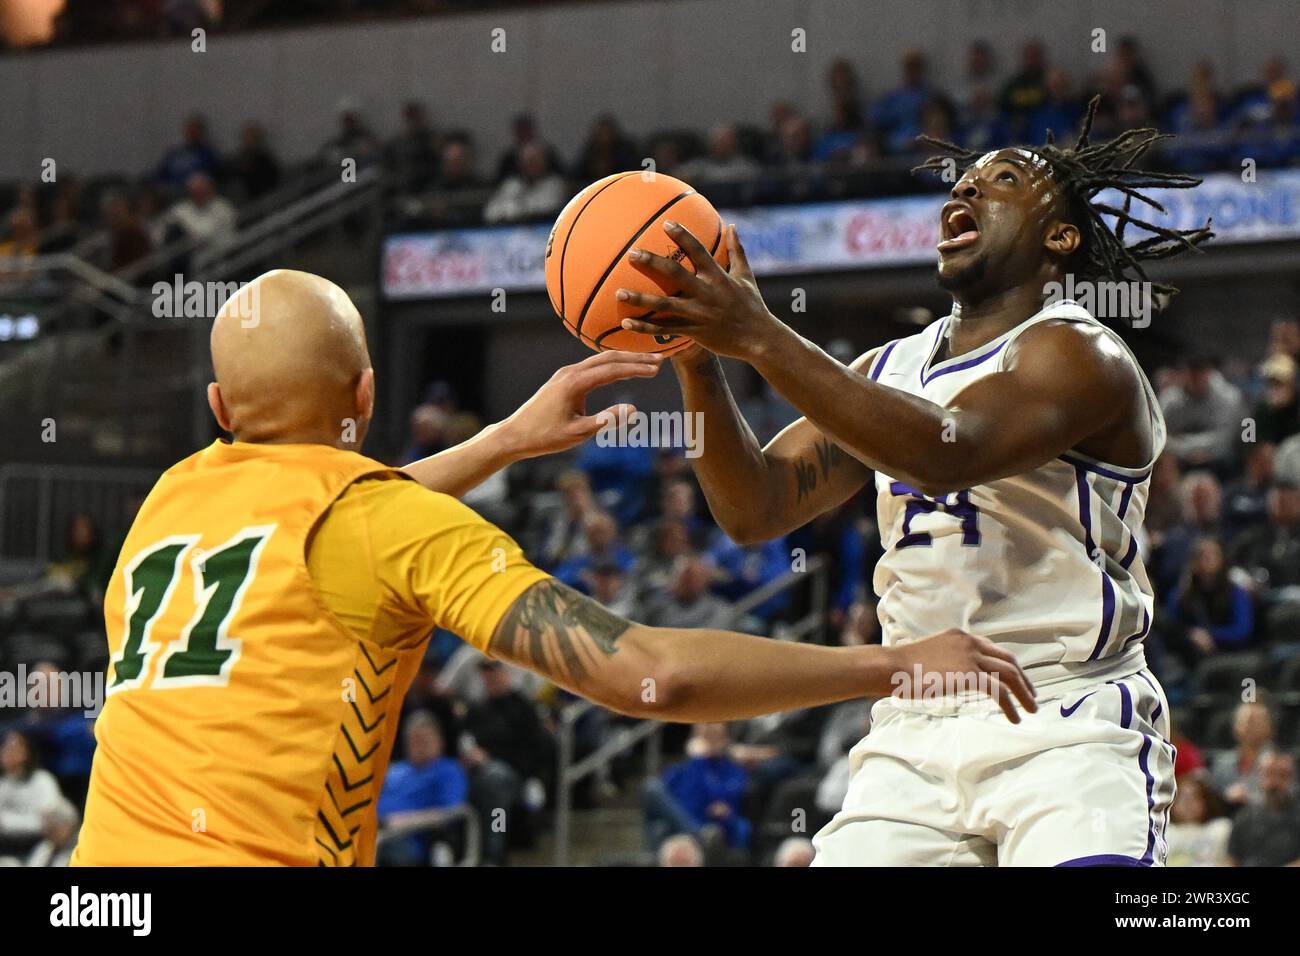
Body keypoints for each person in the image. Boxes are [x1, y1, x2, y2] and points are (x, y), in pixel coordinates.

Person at [71, 269, 1032, 867]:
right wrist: (893, 665)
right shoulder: (392, 526)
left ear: (218, 407)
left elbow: (324, 516)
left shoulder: (173, 497)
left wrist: (499, 441)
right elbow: (653, 675)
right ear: (367, 391)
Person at [617, 98, 1212, 866]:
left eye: (999, 180)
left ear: (1059, 238)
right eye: (959, 183)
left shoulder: (1079, 355)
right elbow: (755, 507)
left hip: (1067, 716)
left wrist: (760, 334)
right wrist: (701, 360)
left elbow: (947, 452)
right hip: (916, 723)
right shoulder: (885, 370)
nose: (963, 192)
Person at [375, 712, 467, 866]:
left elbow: (450, 815)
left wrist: (398, 822)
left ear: (440, 742)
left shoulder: (449, 770)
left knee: (370, 846)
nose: (419, 746)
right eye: (414, 741)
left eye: (425, 740)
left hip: (406, 837)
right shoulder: (395, 769)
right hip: (373, 828)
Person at [1227, 751, 1300, 866]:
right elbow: (1231, 859)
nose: (1274, 782)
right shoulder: (1245, 815)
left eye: (1283, 775)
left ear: (1293, 778)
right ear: (1259, 776)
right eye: (1269, 774)